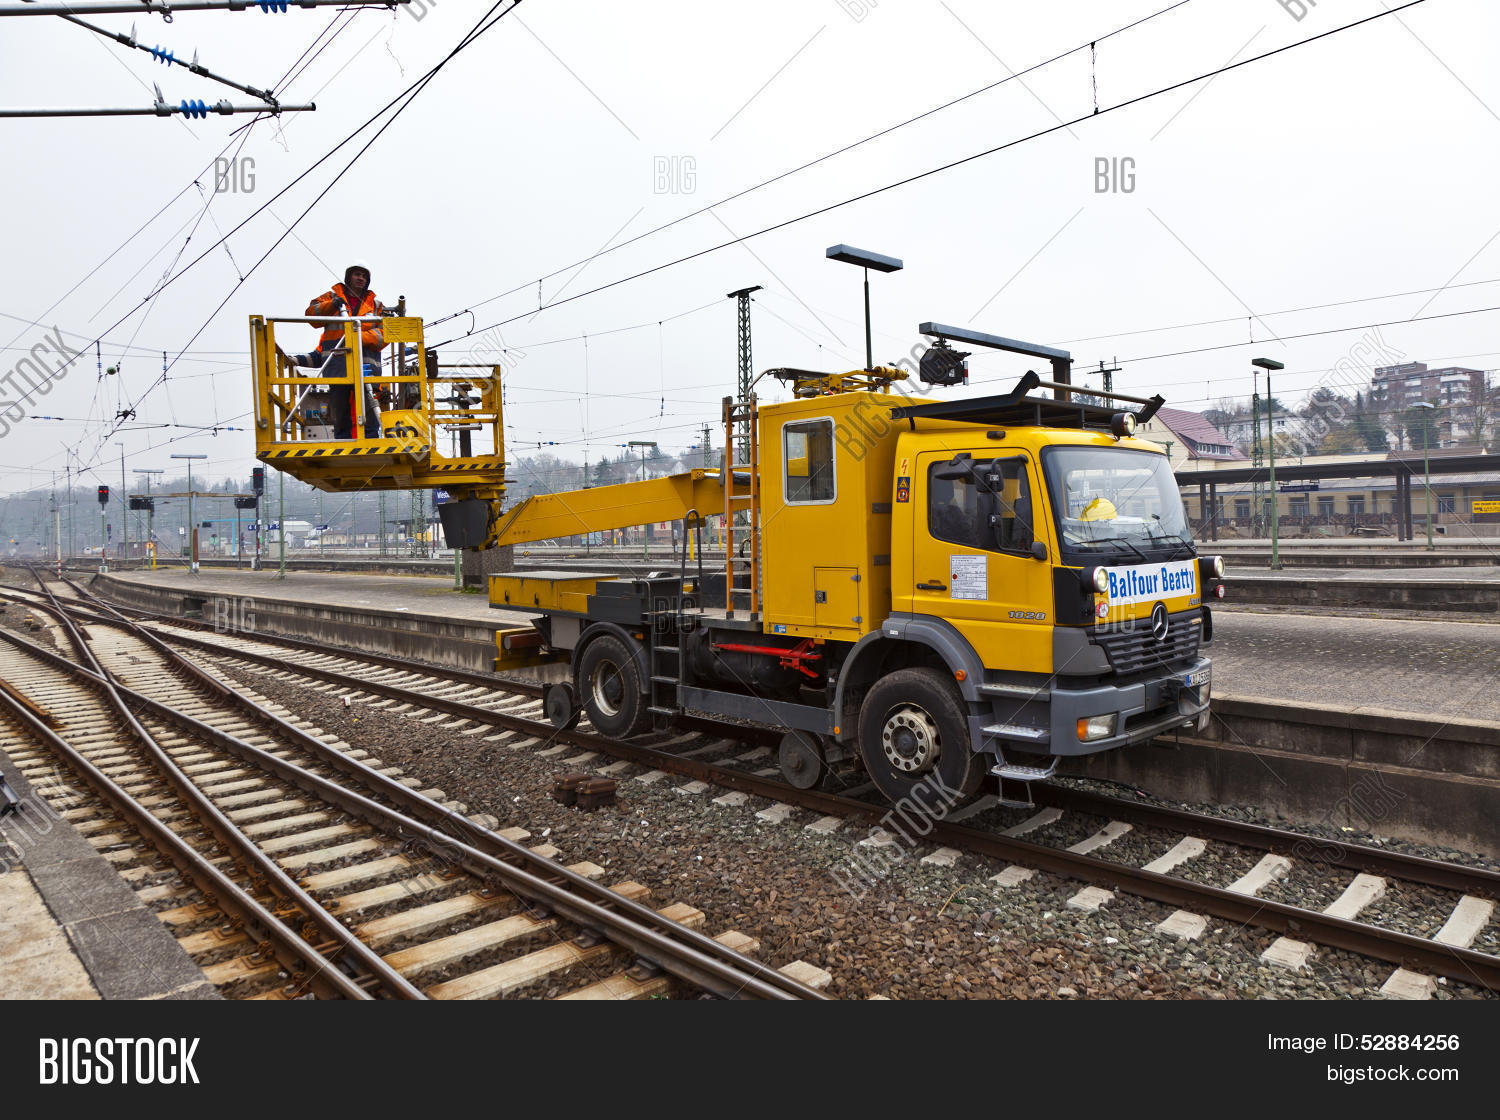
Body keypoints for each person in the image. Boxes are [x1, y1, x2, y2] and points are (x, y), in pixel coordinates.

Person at [305, 262, 388, 438]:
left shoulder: (376, 305)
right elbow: (311, 316)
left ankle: (371, 439)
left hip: (366, 367)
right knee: (341, 408)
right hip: (338, 365)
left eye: (364, 276)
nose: (361, 278)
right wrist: (333, 305)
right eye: (357, 274)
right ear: (349, 277)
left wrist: (360, 337)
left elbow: (386, 333)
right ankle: (343, 440)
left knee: (370, 407)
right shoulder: (331, 297)